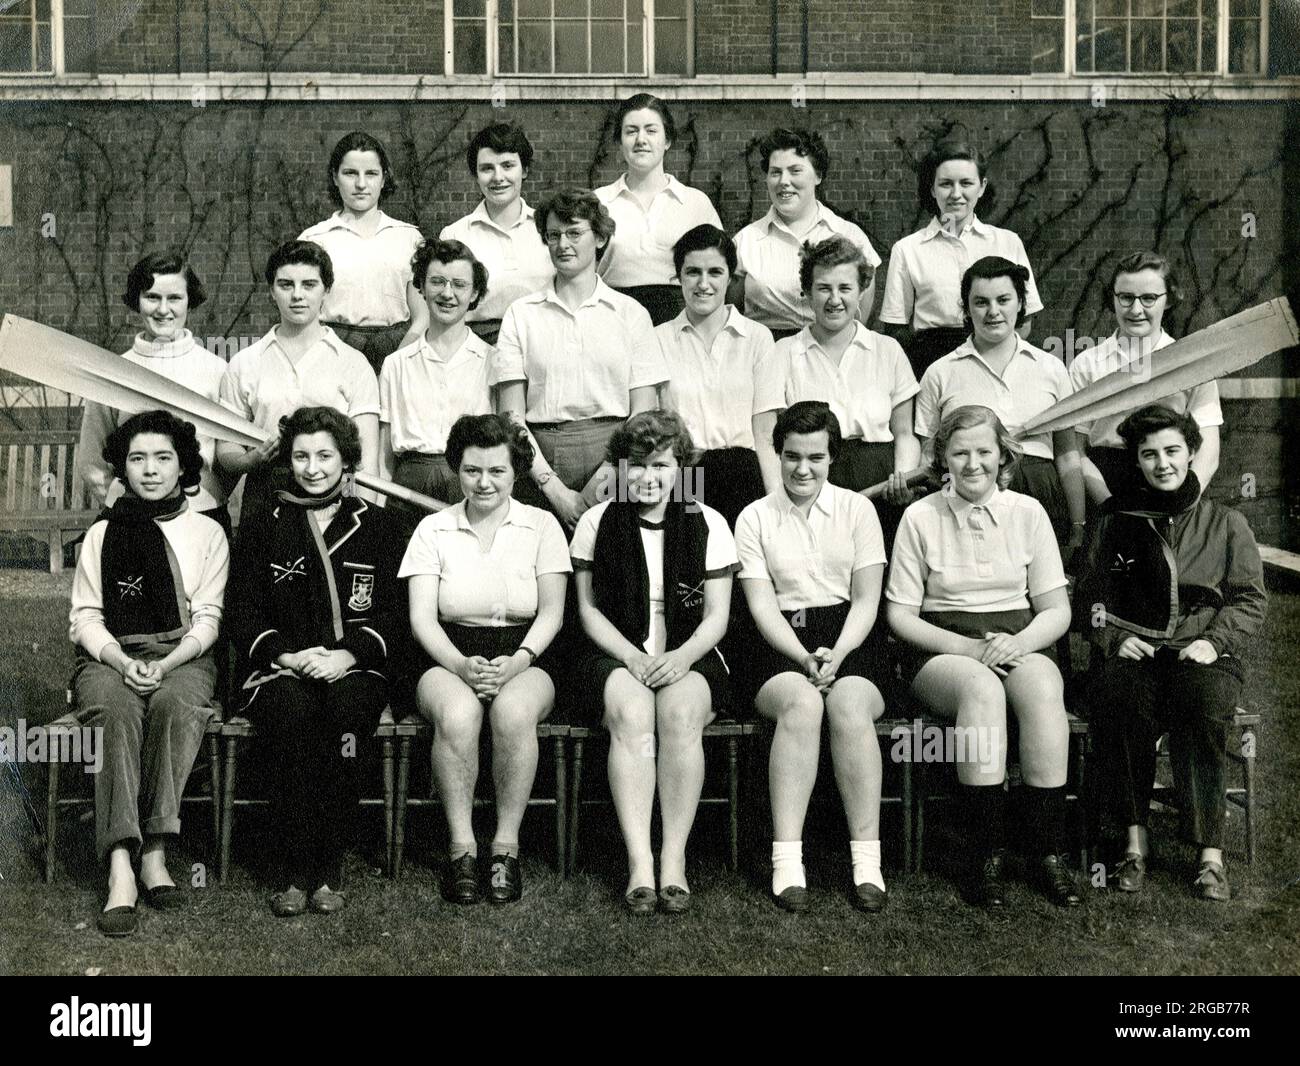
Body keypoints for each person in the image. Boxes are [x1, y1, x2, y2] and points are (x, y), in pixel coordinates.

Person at [886, 405, 1080, 908]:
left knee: (1041, 686)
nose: (973, 463)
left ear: (1002, 455)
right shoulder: (919, 516)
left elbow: (1057, 610)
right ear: (942, 458)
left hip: (1016, 639)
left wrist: (1020, 644)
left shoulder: (1028, 512)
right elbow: (901, 616)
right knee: (981, 688)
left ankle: (1046, 851)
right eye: (960, 452)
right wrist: (970, 649)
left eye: (984, 451)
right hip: (943, 649)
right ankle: (983, 854)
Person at [1074, 406, 1265, 902]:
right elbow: (1088, 600)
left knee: (1201, 703)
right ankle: (1134, 844)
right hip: (1136, 650)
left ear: (1192, 453)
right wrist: (1113, 639)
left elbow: (1249, 599)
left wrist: (1214, 641)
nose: (1162, 464)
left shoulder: (1227, 521)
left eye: (1172, 451)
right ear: (1136, 461)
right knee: (1118, 698)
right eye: (1149, 454)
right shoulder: (1116, 519)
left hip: (1204, 651)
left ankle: (1210, 856)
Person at [399, 414, 570, 905]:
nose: (484, 482)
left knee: (514, 713)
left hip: (527, 654)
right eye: (472, 470)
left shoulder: (542, 526)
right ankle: (461, 849)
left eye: (496, 470)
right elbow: (422, 619)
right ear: (456, 469)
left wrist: (518, 662)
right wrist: (459, 665)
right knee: (459, 713)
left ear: (515, 471)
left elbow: (553, 612)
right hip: (448, 652)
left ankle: (505, 849)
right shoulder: (434, 529)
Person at [69, 410, 229, 937]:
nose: (151, 470)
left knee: (173, 704)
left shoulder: (207, 530)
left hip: (183, 656)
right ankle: (120, 863)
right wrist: (119, 660)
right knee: (116, 708)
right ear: (122, 467)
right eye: (137, 459)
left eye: (163, 458)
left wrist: (165, 663)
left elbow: (209, 618)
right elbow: (85, 618)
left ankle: (156, 850)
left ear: (184, 464)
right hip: (110, 656)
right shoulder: (103, 533)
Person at [572, 411, 738, 915]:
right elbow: (588, 609)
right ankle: (639, 861)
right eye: (636, 465)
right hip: (615, 652)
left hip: (693, 652)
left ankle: (674, 859)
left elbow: (717, 617)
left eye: (661, 466)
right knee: (632, 715)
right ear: (620, 468)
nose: (648, 477)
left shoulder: (707, 522)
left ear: (680, 468)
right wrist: (630, 657)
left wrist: (682, 658)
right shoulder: (597, 521)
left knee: (679, 715)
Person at [734, 401, 890, 915]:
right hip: (780, 642)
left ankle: (867, 862)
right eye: (792, 456)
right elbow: (760, 605)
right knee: (801, 705)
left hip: (851, 637)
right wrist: (803, 657)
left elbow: (867, 599)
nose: (803, 469)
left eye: (816, 457)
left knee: (847, 706)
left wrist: (839, 653)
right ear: (777, 454)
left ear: (832, 458)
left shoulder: (858, 510)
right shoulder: (755, 517)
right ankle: (788, 860)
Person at [494, 188, 668, 529]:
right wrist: (554, 489)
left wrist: (603, 482)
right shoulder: (520, 314)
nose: (563, 244)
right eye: (554, 235)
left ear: (600, 237)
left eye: (574, 233)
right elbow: (511, 414)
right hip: (538, 461)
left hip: (617, 457)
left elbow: (643, 412)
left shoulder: (630, 314)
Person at [755, 236, 920, 548]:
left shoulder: (888, 350)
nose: (834, 299)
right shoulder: (782, 353)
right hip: (812, 481)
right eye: (824, 288)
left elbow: (905, 432)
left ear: (860, 292)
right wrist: (780, 499)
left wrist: (903, 480)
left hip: (881, 484)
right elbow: (765, 437)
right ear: (807, 292)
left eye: (845, 288)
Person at [915, 255, 1085, 554]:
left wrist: (1077, 525)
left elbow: (1068, 455)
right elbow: (928, 457)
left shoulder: (1051, 368)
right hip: (967, 494)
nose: (993, 312)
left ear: (1020, 303)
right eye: (981, 302)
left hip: (1040, 494)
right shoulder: (941, 372)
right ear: (967, 308)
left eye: (1003, 299)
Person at [217, 240, 380, 519]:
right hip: (265, 496)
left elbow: (365, 457)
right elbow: (225, 448)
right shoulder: (245, 362)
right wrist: (250, 460)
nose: (297, 295)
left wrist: (357, 518)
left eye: (309, 284)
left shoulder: (353, 363)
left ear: (326, 290)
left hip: (332, 501)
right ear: (271, 291)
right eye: (285, 285)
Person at [78, 252, 232, 534]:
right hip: (134, 520)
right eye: (152, 297)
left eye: (174, 298)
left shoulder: (217, 370)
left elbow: (228, 456)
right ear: (137, 300)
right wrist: (122, 504)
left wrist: (207, 502)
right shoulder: (114, 372)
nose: (163, 310)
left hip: (201, 520)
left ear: (189, 300)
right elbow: (92, 461)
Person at [879, 137, 1042, 378]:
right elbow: (896, 329)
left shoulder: (1007, 242)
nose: (956, 194)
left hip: (996, 364)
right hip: (931, 366)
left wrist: (989, 352)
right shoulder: (908, 249)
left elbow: (1024, 320)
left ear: (982, 186)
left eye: (966, 183)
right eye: (946, 184)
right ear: (933, 189)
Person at [1070, 251, 1222, 505]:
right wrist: (1108, 503)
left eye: (1149, 298)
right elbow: (1075, 449)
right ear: (1113, 299)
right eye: (1126, 298)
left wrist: (1184, 500)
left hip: (1170, 484)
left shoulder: (1192, 364)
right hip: (1105, 485)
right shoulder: (1087, 364)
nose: (1136, 309)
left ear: (1169, 300)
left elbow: (1208, 448)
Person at [655, 224, 777, 528]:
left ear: (730, 277)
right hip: (684, 473)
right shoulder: (657, 339)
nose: (703, 283)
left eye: (715, 272)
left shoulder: (757, 338)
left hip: (742, 472)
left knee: (742, 568)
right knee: (689, 567)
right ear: (678, 277)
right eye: (693, 272)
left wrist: (776, 500)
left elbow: (764, 431)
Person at [379, 238, 494, 515]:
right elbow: (384, 456)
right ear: (421, 287)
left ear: (475, 293)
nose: (447, 293)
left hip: (472, 483)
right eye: (437, 282)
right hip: (408, 488)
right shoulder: (396, 364)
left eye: (459, 284)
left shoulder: (494, 361)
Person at [732, 128, 881, 341]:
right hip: (767, 356)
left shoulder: (850, 236)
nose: (783, 181)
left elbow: (862, 316)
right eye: (775, 172)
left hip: (831, 353)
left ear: (818, 176)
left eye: (795, 171)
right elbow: (733, 316)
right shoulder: (745, 242)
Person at [299, 131, 427, 374]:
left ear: (383, 178)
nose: (360, 184)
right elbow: (304, 313)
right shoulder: (314, 239)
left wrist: (401, 356)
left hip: (398, 350)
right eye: (350, 173)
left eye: (371, 174)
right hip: (333, 352)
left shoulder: (408, 237)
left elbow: (422, 315)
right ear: (335, 177)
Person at [595, 94, 724, 325]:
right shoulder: (598, 203)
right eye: (631, 131)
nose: (640, 139)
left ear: (667, 141)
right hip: (613, 320)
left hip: (680, 322)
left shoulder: (695, 203)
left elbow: (719, 270)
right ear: (620, 140)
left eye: (651, 130)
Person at [440, 122, 553, 345]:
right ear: (476, 175)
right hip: (479, 346)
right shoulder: (455, 234)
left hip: (546, 341)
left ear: (525, 170)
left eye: (508, 165)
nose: (498, 177)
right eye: (487, 168)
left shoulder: (549, 229)